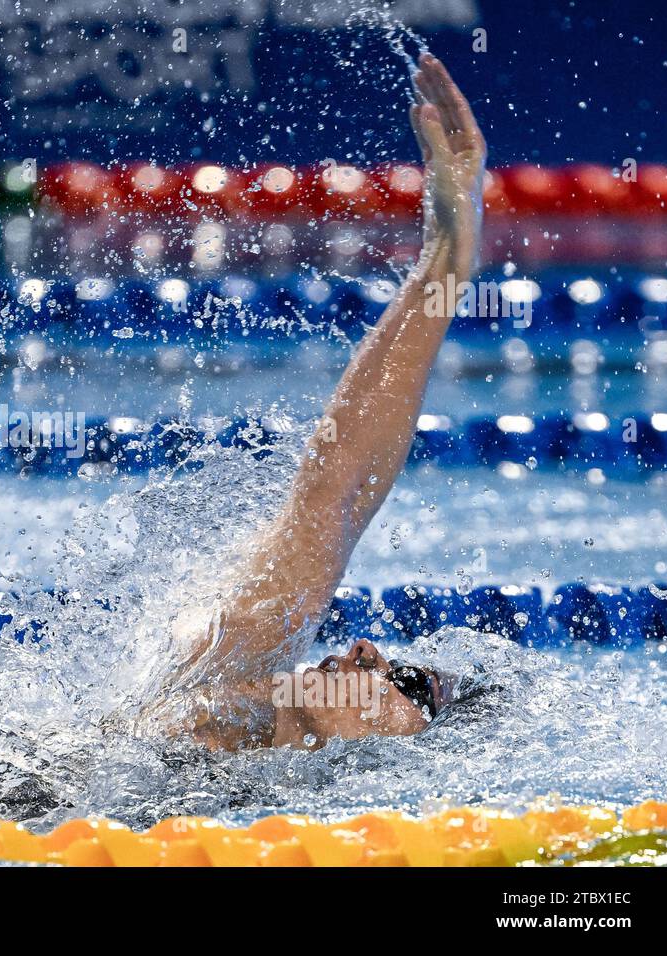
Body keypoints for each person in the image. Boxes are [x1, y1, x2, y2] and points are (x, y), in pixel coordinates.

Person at [142, 54, 485, 751]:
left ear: (404, 741)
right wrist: (446, 259)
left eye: (406, 682)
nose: (364, 649)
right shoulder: (231, 675)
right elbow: (337, 485)